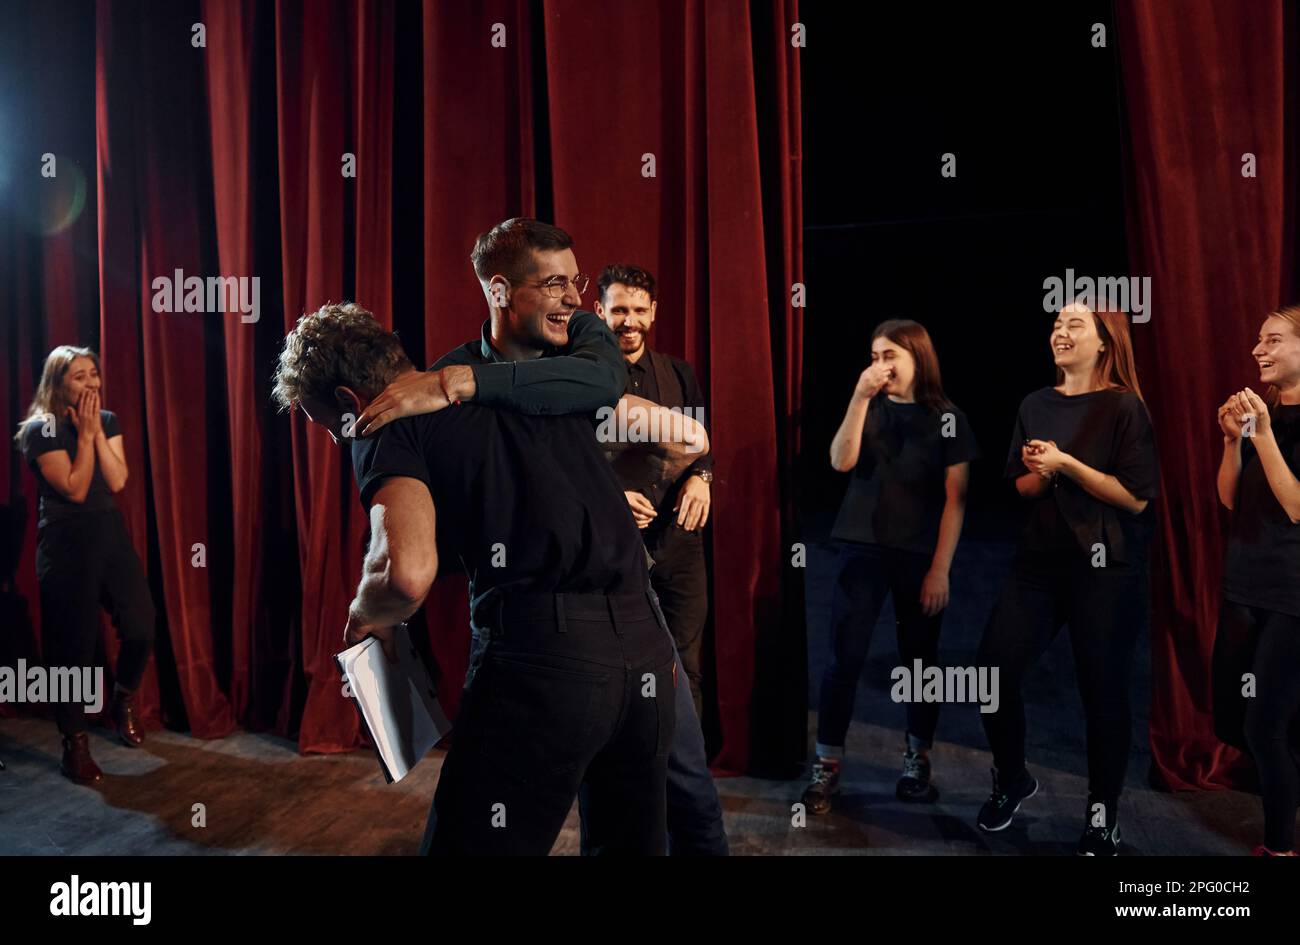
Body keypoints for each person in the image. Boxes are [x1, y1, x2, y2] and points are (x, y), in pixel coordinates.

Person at [274, 295, 707, 854]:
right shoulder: (512, 384)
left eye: (328, 424)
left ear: (347, 400)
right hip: (646, 644)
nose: (337, 439)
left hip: (546, 661)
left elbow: (405, 573)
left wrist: (363, 618)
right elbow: (687, 439)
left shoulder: (386, 425)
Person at [358, 219, 730, 856]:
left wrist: (459, 384)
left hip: (570, 648)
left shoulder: (578, 347)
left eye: (576, 281)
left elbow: (406, 569)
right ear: (499, 290)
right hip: (618, 643)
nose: (574, 298)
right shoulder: (436, 401)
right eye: (554, 283)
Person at [975, 303, 1158, 855]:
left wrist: (1068, 465)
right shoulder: (1035, 403)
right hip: (1039, 562)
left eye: (1074, 324)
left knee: (1101, 692)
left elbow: (1136, 497)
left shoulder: (1125, 407)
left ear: (1104, 342)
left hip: (1105, 568)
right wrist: (1038, 469)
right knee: (991, 672)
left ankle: (1102, 819)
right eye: (1055, 324)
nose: (1060, 331)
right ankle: (1012, 778)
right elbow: (1022, 489)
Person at [802, 319, 977, 813]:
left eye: (890, 356)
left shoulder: (948, 419)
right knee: (844, 660)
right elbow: (839, 461)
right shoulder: (869, 408)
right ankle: (827, 763)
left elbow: (955, 500)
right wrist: (858, 399)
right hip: (862, 550)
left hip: (919, 556)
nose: (880, 366)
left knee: (920, 665)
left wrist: (940, 568)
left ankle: (917, 759)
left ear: (917, 357)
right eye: (875, 356)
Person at [15, 346, 155, 783]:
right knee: (70, 648)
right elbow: (75, 488)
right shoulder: (42, 429)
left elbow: (117, 479)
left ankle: (124, 697)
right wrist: (86, 434)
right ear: (58, 383)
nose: (92, 383)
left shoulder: (106, 420)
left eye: (94, 373)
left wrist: (94, 432)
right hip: (64, 542)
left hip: (108, 533)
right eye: (79, 376)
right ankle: (73, 744)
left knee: (141, 624)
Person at [593, 264, 712, 719]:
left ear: (654, 312)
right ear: (598, 310)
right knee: (614, 669)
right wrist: (613, 497)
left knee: (687, 667)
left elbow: (703, 439)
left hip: (680, 545)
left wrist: (703, 477)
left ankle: (685, 786)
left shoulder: (679, 374)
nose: (630, 320)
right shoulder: (581, 381)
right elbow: (567, 459)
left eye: (639, 309)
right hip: (613, 549)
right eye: (619, 309)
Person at [1213, 304, 1300, 857]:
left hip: (1292, 597)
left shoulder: (1271, 424)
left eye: (1271, 340)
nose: (1256, 351)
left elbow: (1296, 506)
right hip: (1244, 586)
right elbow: (1229, 498)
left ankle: (1280, 848)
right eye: (1257, 340)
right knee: (1235, 718)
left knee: (1268, 727)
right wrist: (1231, 441)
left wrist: (1263, 437)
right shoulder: (1264, 416)